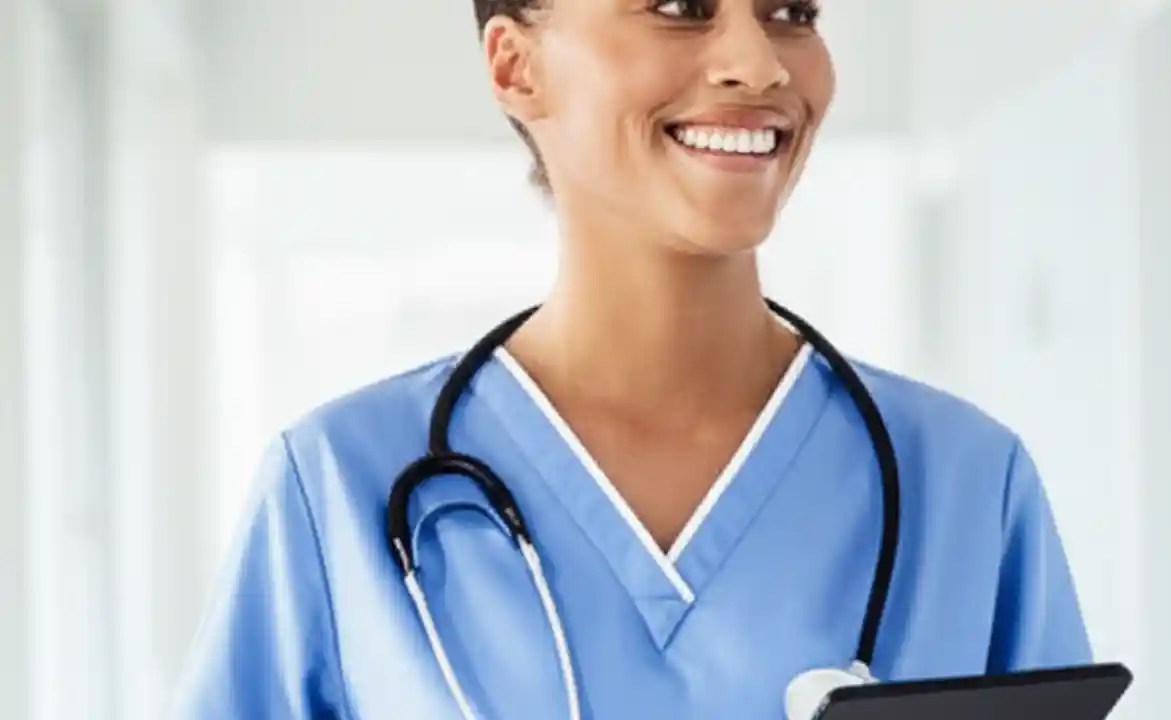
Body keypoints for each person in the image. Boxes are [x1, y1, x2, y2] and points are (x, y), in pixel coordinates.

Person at [172, 0, 1091, 718]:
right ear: (515, 64)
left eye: (795, 13)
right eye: (681, 5)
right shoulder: (339, 486)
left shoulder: (968, 485)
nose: (761, 63)